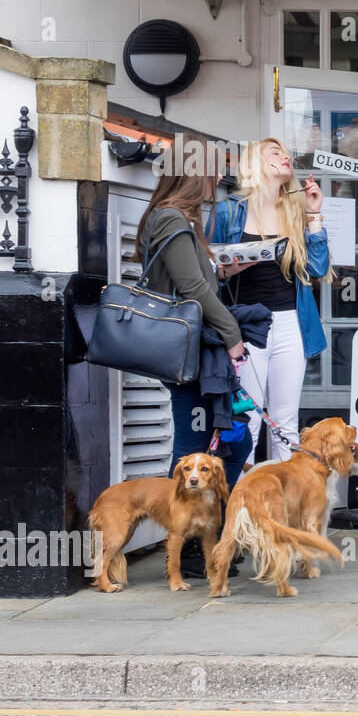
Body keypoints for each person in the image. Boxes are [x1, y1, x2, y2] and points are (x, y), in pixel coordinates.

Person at [136, 171, 252, 579]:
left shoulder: (179, 219)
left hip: (198, 354)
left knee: (234, 442)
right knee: (192, 451)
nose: (218, 183)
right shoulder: (170, 217)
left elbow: (199, 282)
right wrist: (232, 333)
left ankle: (212, 536)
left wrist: (224, 272)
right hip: (189, 357)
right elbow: (192, 290)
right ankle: (189, 548)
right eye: (212, 174)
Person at [213, 138, 331, 464]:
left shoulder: (294, 211)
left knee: (285, 422)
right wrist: (227, 271)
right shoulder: (228, 211)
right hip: (246, 327)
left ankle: (284, 504)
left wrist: (314, 216)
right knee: (247, 419)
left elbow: (318, 268)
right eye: (275, 153)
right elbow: (208, 272)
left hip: (291, 323)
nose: (286, 157)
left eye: (286, 152)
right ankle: (243, 503)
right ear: (255, 163)